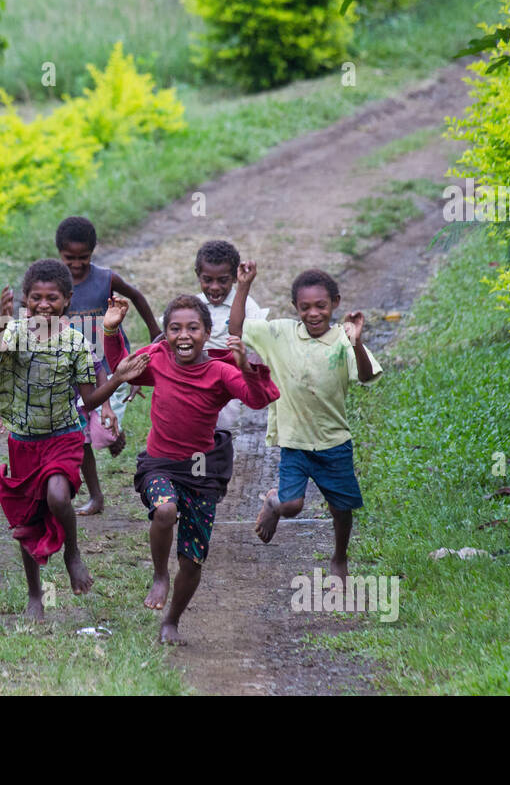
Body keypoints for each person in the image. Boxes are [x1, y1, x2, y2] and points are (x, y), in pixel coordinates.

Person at [102, 293, 278, 645]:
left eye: (193, 328)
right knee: (164, 510)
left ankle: (172, 621)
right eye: (175, 328)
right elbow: (123, 368)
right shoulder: (158, 358)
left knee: (192, 559)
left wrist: (245, 366)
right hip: (159, 464)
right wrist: (110, 331)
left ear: (207, 332)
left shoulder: (219, 371)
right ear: (165, 333)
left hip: (200, 470)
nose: (184, 335)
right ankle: (158, 575)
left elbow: (259, 398)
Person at [0, 259, 150, 621]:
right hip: (24, 441)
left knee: (58, 496)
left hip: (63, 435)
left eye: (52, 298)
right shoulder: (14, 331)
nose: (43, 304)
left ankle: (72, 552)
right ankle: (35, 596)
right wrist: (2, 319)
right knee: (27, 522)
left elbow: (88, 400)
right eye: (36, 298)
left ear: (67, 301)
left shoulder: (76, 341)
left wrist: (119, 377)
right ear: (26, 299)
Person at [237, 266, 382, 584]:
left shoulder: (343, 340)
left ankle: (339, 557)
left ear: (336, 303)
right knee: (292, 506)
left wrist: (357, 342)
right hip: (295, 442)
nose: (313, 313)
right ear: (295, 308)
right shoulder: (280, 334)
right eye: (305, 307)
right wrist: (244, 286)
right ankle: (274, 501)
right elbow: (237, 330)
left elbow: (369, 376)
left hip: (334, 441)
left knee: (341, 508)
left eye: (321, 306)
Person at [55, 215, 161, 515]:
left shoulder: (105, 278)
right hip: (70, 368)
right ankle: (96, 496)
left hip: (107, 365)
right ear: (59, 254)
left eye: (83, 257)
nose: (76, 264)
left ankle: (115, 433)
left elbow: (137, 296)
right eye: (69, 258)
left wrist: (155, 332)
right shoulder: (55, 281)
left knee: (103, 428)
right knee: (82, 436)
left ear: (93, 251)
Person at [165, 239, 270, 430]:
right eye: (207, 279)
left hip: (228, 378)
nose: (214, 287)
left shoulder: (246, 305)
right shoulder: (192, 305)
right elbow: (169, 339)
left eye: (222, 280)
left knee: (225, 426)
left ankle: (221, 455)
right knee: (191, 423)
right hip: (195, 373)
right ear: (198, 276)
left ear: (235, 278)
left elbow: (259, 341)